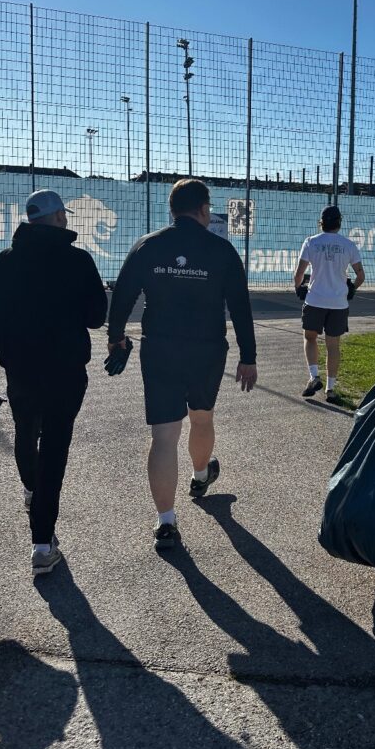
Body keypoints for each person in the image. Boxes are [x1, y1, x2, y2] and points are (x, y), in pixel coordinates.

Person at [0, 189, 108, 577]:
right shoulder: (78, 260)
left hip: (21, 369)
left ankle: (32, 491)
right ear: (59, 217)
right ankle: (42, 544)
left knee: (25, 430)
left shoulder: (8, 260)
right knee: (55, 447)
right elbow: (96, 317)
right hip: (66, 371)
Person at [107, 178, 257, 552]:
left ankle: (165, 522)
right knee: (201, 418)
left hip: (159, 348)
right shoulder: (221, 250)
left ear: (172, 210)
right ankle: (201, 475)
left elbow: (122, 295)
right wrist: (248, 356)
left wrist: (116, 337)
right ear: (204, 210)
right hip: (207, 350)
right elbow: (240, 307)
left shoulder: (148, 245)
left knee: (163, 436)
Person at [293, 205, 365, 403]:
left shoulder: (311, 242)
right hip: (338, 303)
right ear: (339, 223)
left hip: (315, 299)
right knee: (333, 345)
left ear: (321, 223)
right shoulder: (348, 245)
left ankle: (314, 376)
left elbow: (299, 273)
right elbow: (360, 276)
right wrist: (351, 289)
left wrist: (298, 287)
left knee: (310, 337)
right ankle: (331, 389)